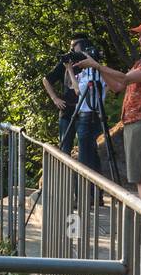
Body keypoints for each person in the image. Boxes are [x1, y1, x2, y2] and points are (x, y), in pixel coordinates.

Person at [71, 20, 141, 204]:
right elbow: (117, 85)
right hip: (132, 120)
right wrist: (98, 68)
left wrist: (98, 66)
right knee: (137, 175)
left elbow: (124, 78)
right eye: (139, 35)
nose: (139, 38)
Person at [44, 35, 105, 176]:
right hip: (68, 110)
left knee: (88, 149)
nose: (71, 49)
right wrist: (55, 99)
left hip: (86, 111)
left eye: (74, 45)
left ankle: (86, 190)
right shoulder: (67, 62)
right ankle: (66, 184)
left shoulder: (90, 62)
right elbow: (46, 79)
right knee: (65, 148)